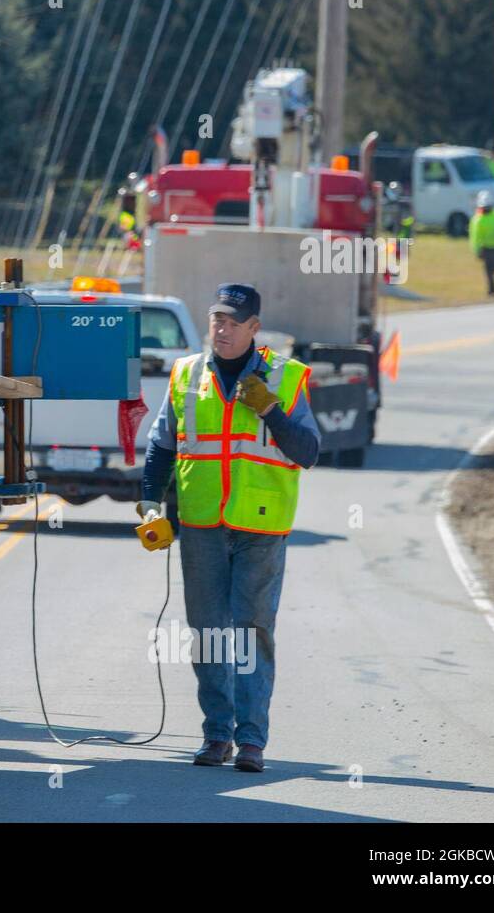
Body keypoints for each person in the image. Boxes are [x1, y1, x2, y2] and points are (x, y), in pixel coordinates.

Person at [137, 283, 321, 772]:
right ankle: (216, 736)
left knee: (251, 632)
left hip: (261, 527)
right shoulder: (186, 374)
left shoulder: (287, 377)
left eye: (233, 322)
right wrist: (150, 503)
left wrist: (270, 409)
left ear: (254, 329)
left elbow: (308, 452)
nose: (222, 329)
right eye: (217, 319)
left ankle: (252, 741)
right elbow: (162, 446)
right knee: (208, 633)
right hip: (200, 525)